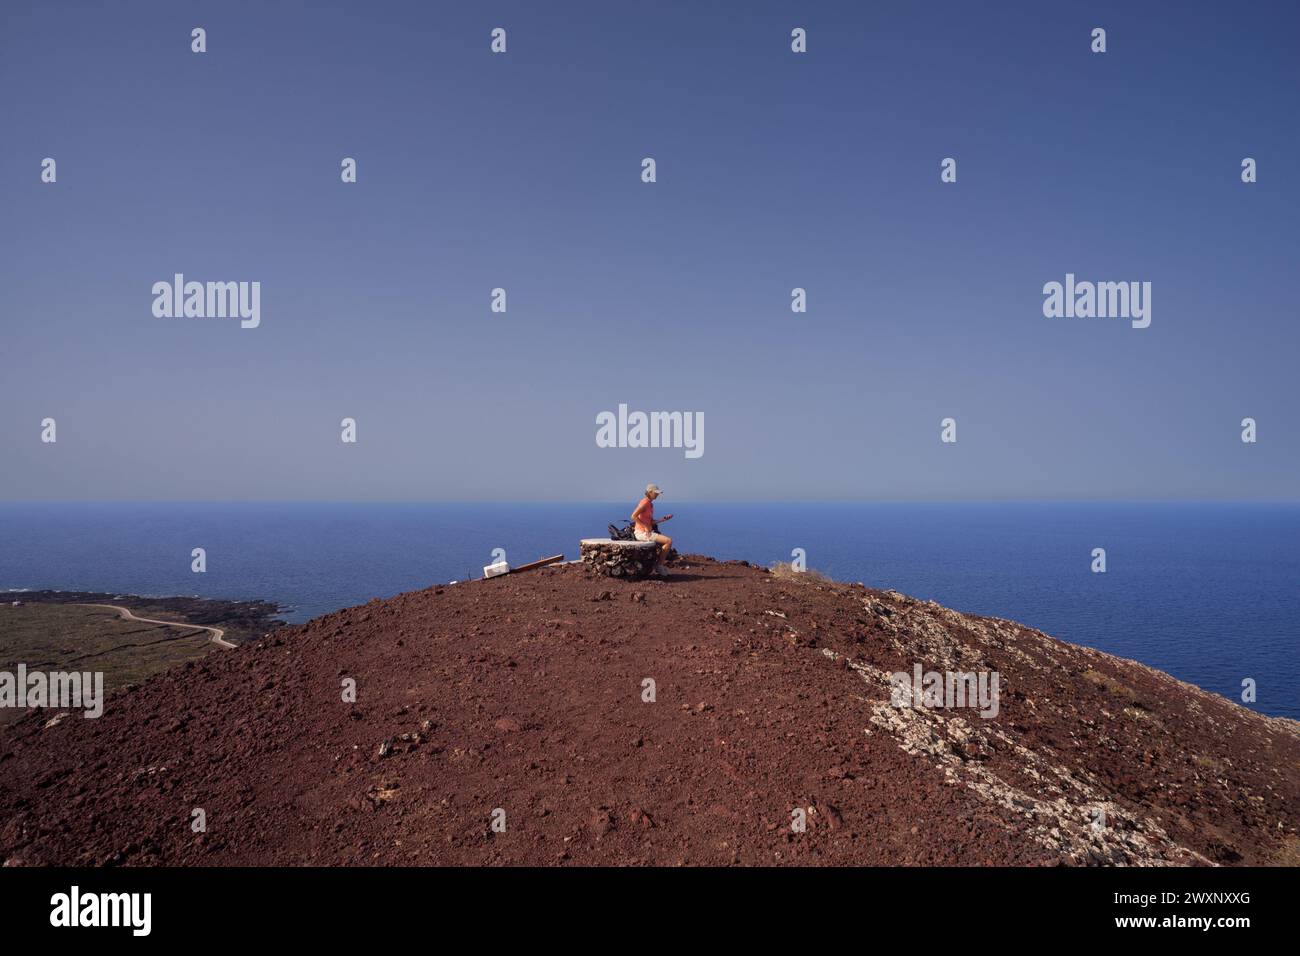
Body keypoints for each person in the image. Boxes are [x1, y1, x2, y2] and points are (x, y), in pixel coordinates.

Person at [631, 483, 673, 575]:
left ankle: (658, 565)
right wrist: (645, 527)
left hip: (646, 532)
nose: (657, 494)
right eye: (656, 493)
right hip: (641, 533)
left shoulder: (650, 504)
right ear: (650, 492)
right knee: (668, 541)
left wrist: (662, 520)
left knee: (667, 541)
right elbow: (633, 516)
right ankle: (659, 566)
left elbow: (650, 522)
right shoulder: (645, 502)